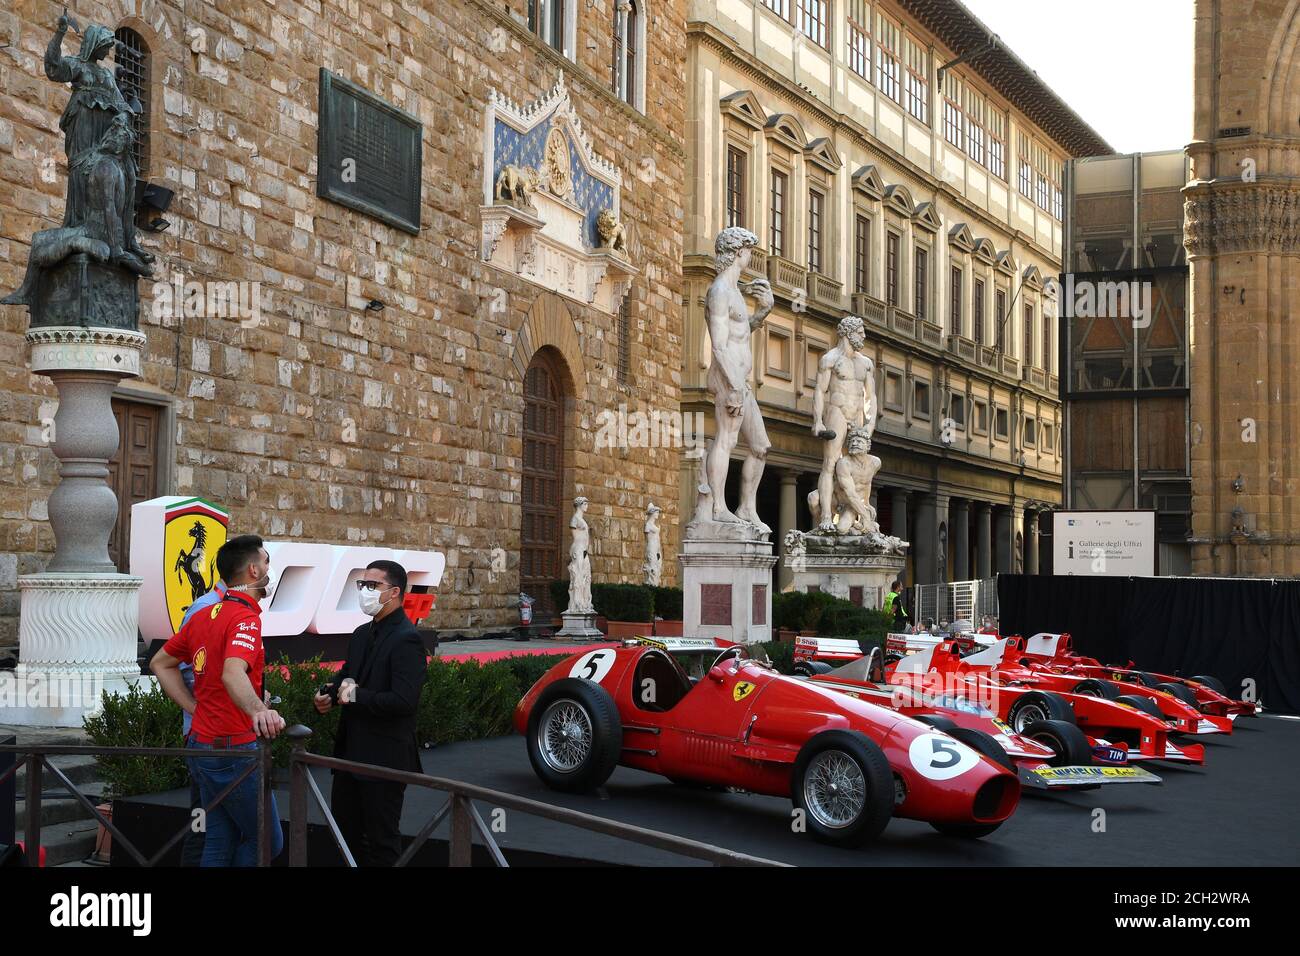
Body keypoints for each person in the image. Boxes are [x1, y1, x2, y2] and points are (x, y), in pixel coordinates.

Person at [151, 534, 286, 866]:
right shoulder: (244, 618)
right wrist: (259, 710)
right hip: (233, 748)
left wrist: (195, 709)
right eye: (267, 561)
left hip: (203, 744)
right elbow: (231, 673)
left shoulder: (203, 615)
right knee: (266, 841)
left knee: (218, 838)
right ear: (254, 571)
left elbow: (159, 663)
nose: (270, 568)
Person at [315, 560, 426, 866]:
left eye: (371, 586)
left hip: (384, 760)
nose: (364, 591)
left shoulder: (408, 639)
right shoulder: (362, 633)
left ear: (394, 592)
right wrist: (329, 696)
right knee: (344, 838)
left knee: (381, 842)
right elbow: (349, 675)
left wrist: (355, 696)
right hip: (350, 755)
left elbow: (404, 701)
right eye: (361, 585)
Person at [175, 576, 228, 867]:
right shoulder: (204, 608)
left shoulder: (236, 609)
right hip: (207, 739)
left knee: (216, 826)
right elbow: (180, 667)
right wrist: (199, 710)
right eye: (264, 562)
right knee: (202, 824)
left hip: (229, 739)